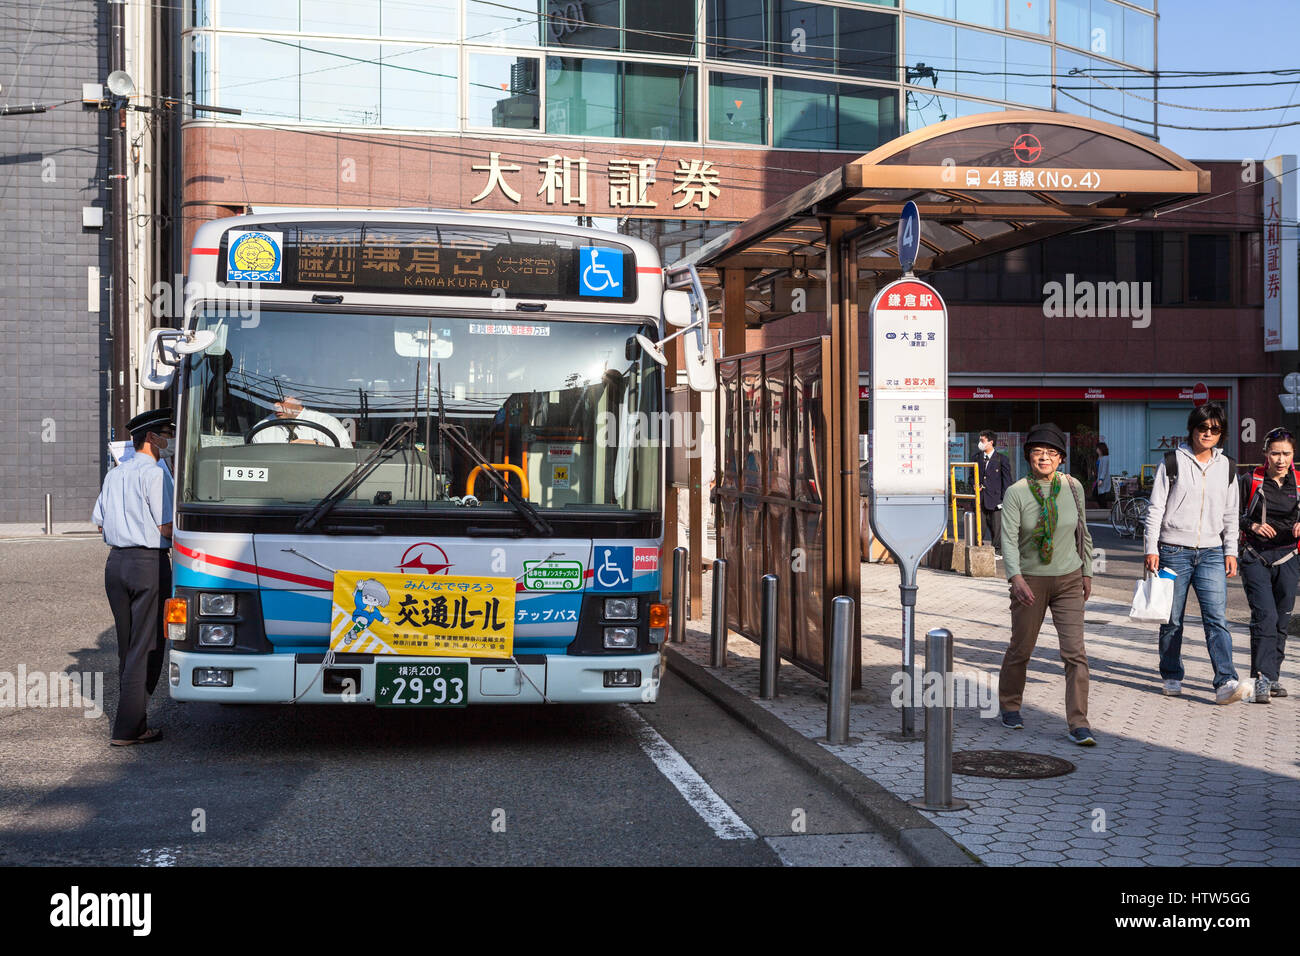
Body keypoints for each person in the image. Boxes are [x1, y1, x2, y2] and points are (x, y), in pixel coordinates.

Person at [998, 423, 1097, 746]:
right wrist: (1015, 578)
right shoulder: (1016, 492)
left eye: (1051, 453)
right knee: (1021, 649)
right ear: (1029, 456)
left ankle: (1078, 723)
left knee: (1075, 653)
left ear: (1061, 459)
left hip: (1069, 578)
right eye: (1038, 452)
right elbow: (1008, 540)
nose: (1044, 458)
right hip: (1030, 581)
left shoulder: (1072, 487)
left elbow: (1083, 530)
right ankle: (1010, 704)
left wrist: (1087, 572)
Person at [1143, 402, 1244, 704]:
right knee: (1172, 619)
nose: (1208, 434)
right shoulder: (1172, 461)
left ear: (1221, 433)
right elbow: (1155, 508)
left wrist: (1231, 550)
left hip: (1212, 551)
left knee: (1216, 618)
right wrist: (1151, 547)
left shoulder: (1227, 466)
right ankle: (1172, 675)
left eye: (1215, 429)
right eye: (1203, 428)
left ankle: (1225, 681)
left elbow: (1231, 513)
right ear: (1192, 429)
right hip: (1173, 550)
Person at [92, 407, 175, 746]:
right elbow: (166, 525)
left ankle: (133, 719)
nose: (169, 439)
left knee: (128, 646)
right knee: (149, 644)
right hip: (148, 564)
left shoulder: (115, 474)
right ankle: (129, 728)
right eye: (166, 434)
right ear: (152, 438)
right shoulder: (157, 473)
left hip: (116, 564)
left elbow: (98, 521)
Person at [1237, 426, 1299, 704]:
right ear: (1265, 454)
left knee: (1282, 619)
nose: (1281, 459)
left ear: (1293, 454)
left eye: (1286, 453)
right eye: (1275, 453)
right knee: (1266, 618)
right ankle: (1261, 679)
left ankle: (1271, 675)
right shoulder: (1251, 480)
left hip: (1288, 556)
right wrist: (1252, 525)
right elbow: (1230, 515)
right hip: (1255, 556)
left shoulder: (1298, 481)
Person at [251, 395, 353, 448]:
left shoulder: (327, 423)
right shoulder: (260, 430)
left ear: (298, 398)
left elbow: (348, 461)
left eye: (282, 400)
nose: (276, 405)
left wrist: (320, 448)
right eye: (271, 400)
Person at [976, 429, 1014, 554]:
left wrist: (1004, 499)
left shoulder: (1001, 459)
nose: (980, 443)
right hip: (980, 498)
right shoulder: (977, 458)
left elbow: (1007, 480)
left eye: (983, 440)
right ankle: (978, 550)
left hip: (996, 499)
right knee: (979, 527)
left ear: (991, 442)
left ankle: (997, 551)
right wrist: (974, 485)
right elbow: (972, 476)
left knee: (996, 528)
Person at [1094, 442, 1112, 509]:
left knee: (1100, 495)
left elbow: (1104, 470)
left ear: (1101, 449)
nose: (1097, 450)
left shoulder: (1105, 458)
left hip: (1103, 480)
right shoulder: (1100, 457)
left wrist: (1101, 479)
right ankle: (1103, 509)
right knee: (1099, 495)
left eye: (1098, 449)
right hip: (1099, 479)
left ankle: (1104, 509)